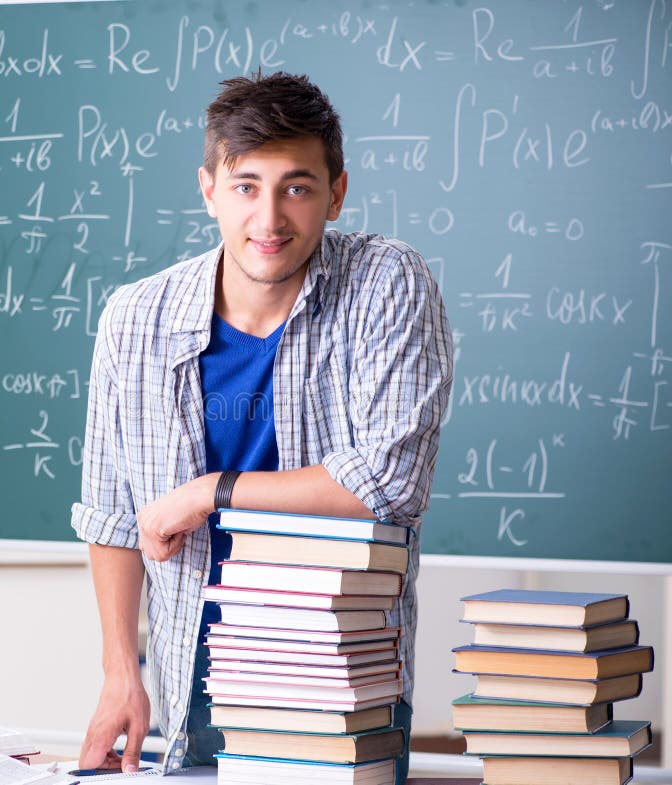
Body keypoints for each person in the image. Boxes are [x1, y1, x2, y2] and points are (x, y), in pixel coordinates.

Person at [71, 71, 453, 782]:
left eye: (297, 187)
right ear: (209, 189)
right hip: (193, 667)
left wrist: (210, 491)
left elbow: (389, 482)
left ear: (336, 193)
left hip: (339, 675)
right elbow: (113, 513)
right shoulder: (135, 317)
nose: (270, 218)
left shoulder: (387, 282)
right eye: (246, 186)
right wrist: (121, 671)